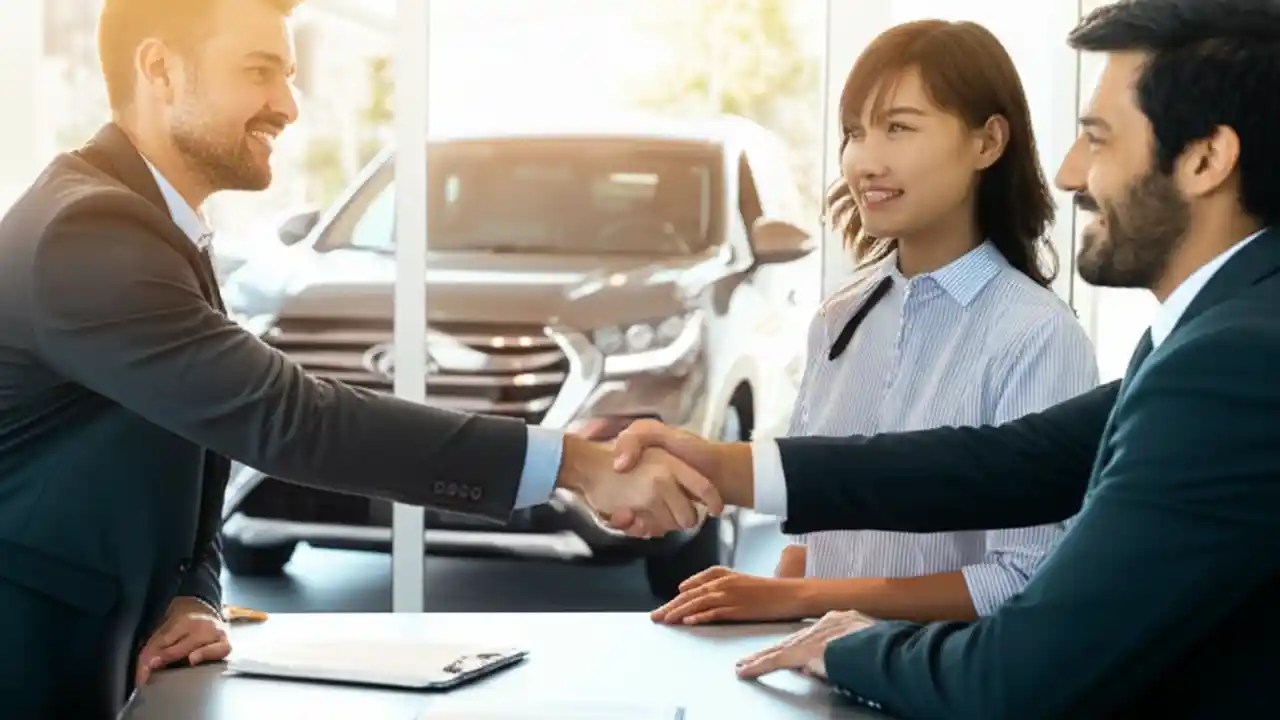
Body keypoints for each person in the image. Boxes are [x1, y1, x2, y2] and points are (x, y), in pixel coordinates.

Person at [0, 0, 717, 716]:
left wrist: (195, 589)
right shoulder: (89, 234)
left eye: (288, 75)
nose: (287, 105)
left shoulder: (150, 224)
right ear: (159, 69)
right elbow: (290, 421)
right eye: (259, 72)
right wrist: (574, 465)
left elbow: (197, 442)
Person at [613, 0, 1280, 716]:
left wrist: (837, 641)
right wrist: (725, 468)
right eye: (857, 132)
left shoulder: (1232, 362)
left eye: (1098, 139)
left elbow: (1015, 673)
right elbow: (1003, 462)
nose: (1069, 172)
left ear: (1207, 158)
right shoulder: (1212, 336)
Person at [651, 20, 1098, 629]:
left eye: (899, 128)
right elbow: (819, 533)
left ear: (988, 143)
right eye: (855, 133)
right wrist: (770, 605)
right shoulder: (839, 317)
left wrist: (804, 598)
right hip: (823, 668)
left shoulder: (1038, 336)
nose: (865, 160)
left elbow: (1022, 579)